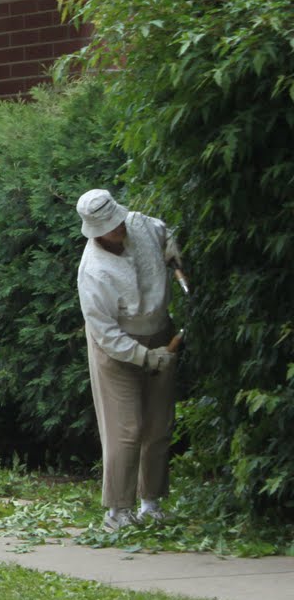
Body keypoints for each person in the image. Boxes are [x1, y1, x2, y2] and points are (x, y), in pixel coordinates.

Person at [75, 188, 186, 530]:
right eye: (110, 226)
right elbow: (106, 334)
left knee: (158, 425)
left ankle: (150, 503)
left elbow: (164, 234)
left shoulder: (140, 224)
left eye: (118, 220)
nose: (119, 228)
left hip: (159, 331)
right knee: (126, 429)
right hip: (116, 347)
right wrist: (147, 358)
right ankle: (117, 511)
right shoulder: (93, 271)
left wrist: (172, 252)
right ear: (95, 231)